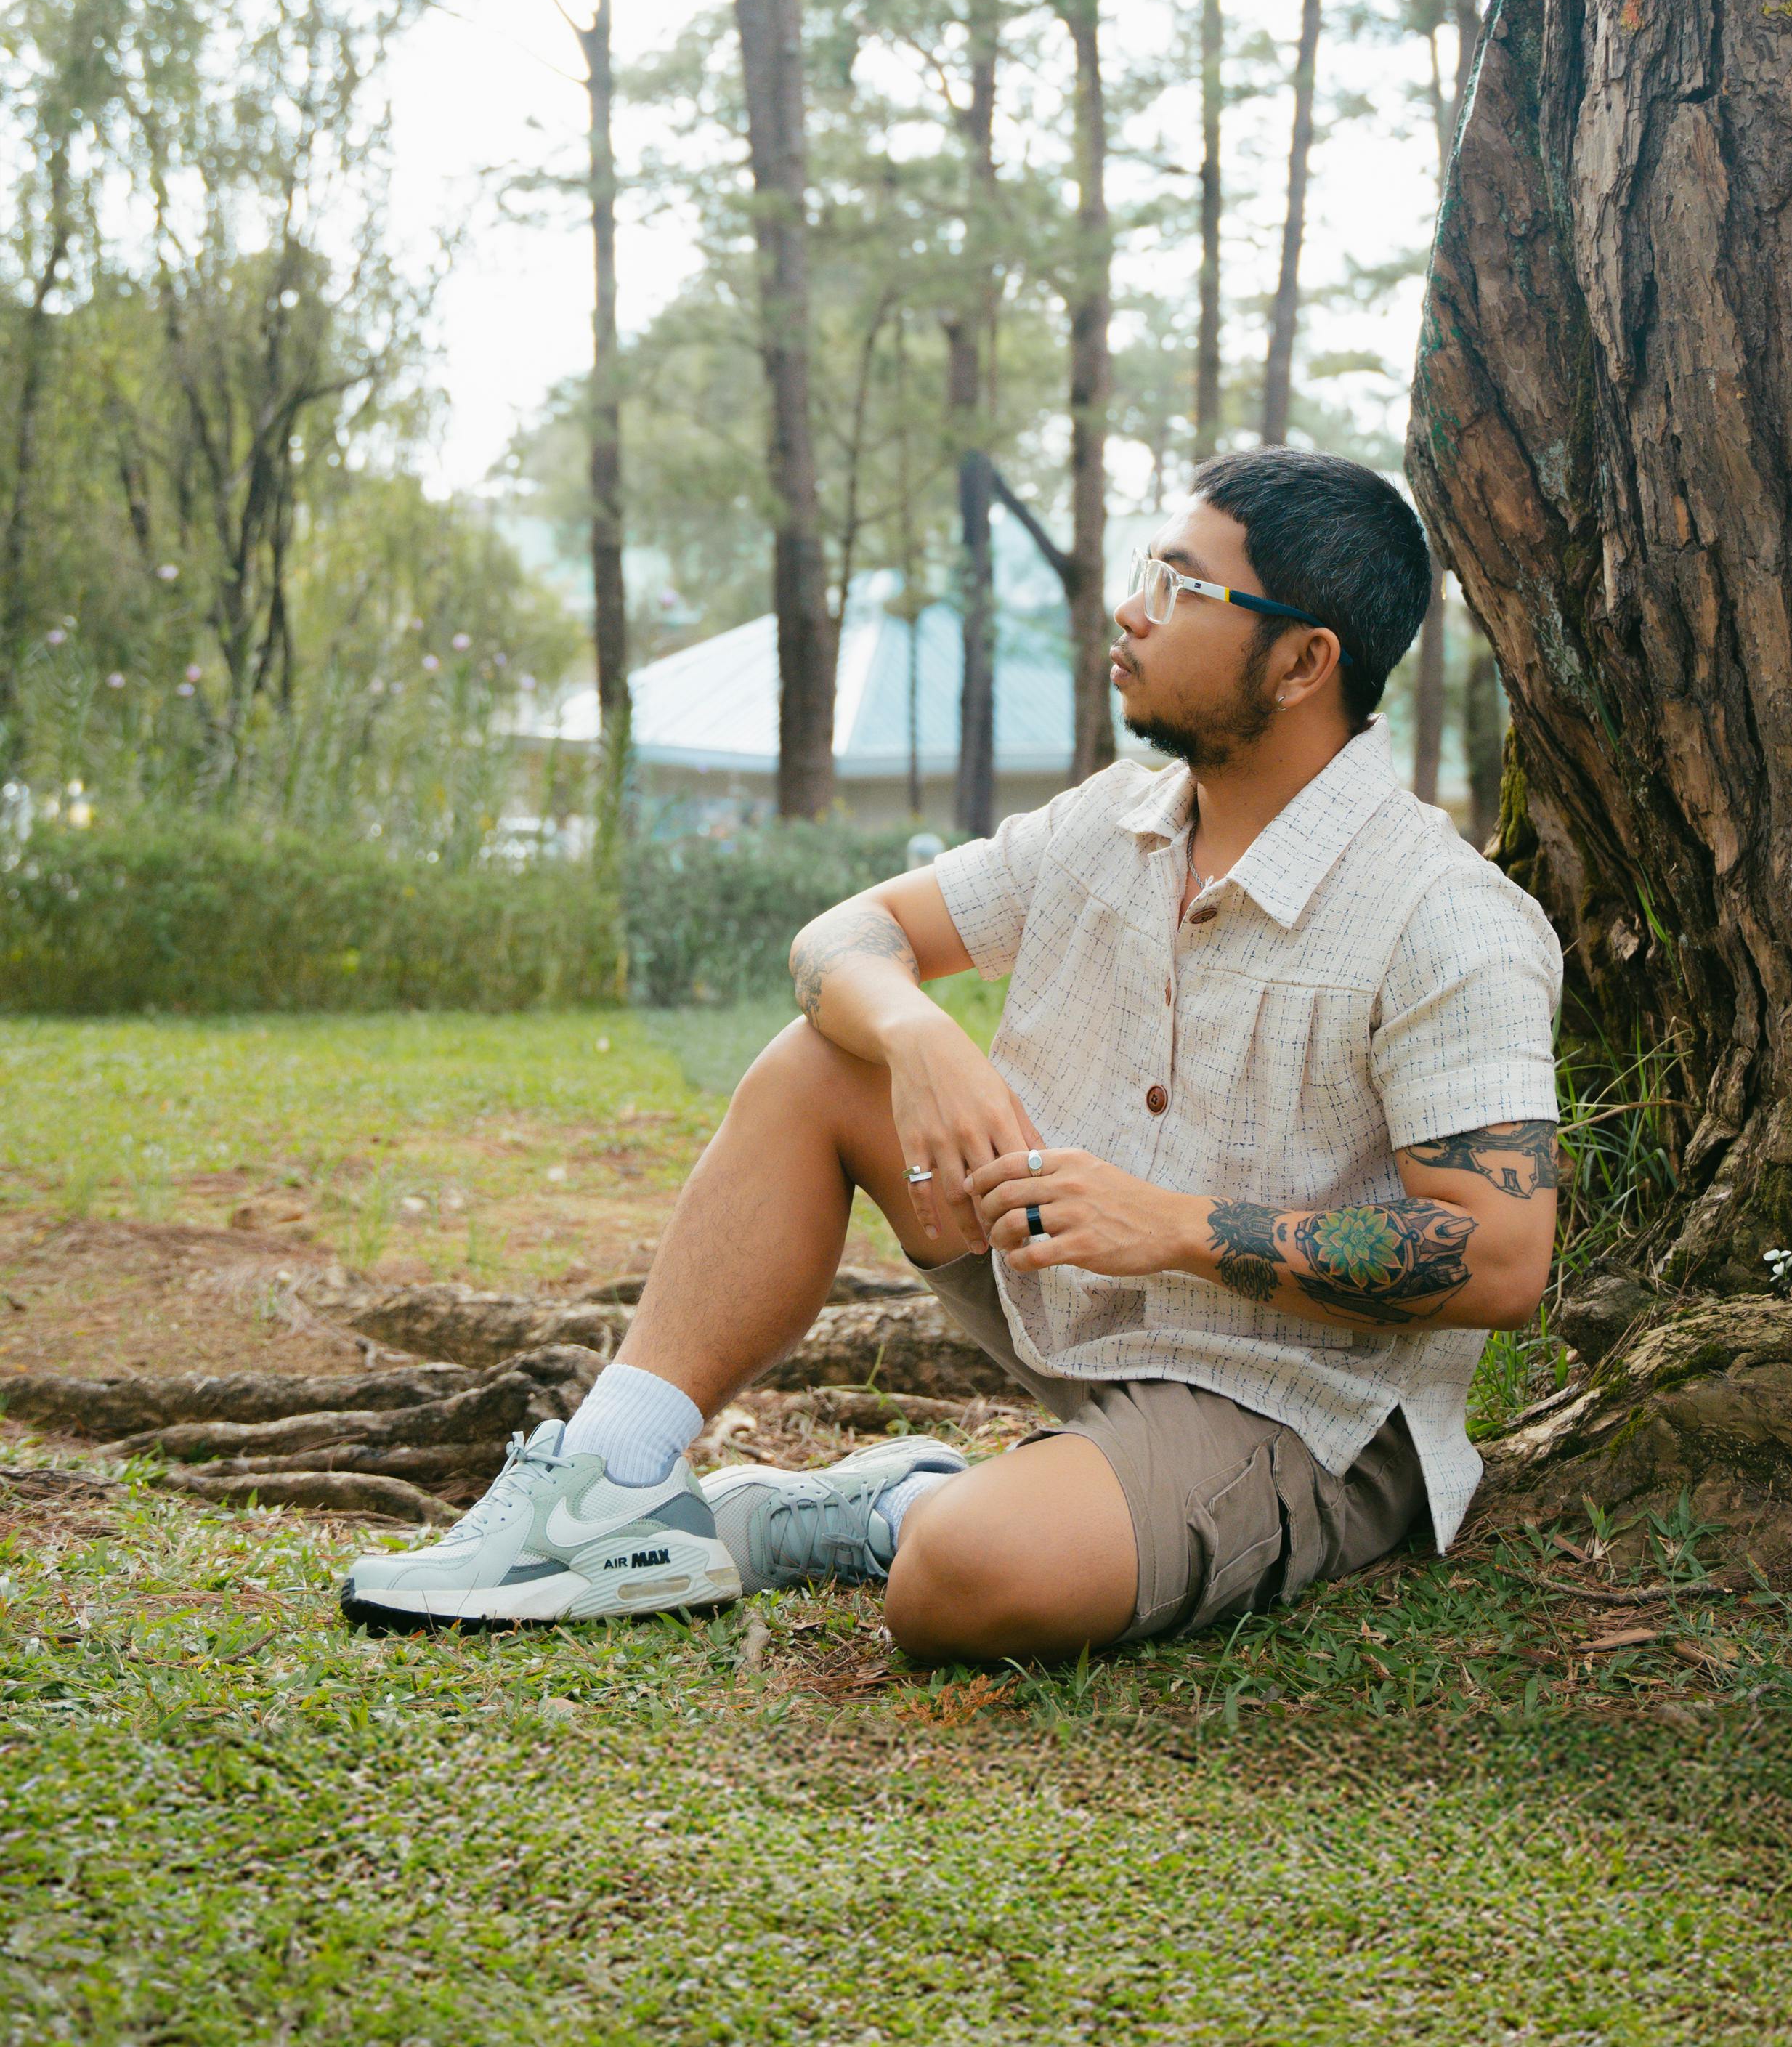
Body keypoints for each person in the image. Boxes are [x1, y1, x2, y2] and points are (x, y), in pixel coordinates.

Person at [340, 448, 1562, 1654]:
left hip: (1300, 1409)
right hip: (1076, 1301)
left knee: (959, 1577)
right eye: (1147, 572)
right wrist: (919, 1033)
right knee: (828, 1062)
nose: (1132, 611)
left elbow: (1504, 1259)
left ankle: (895, 1509)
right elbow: (842, 939)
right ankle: (609, 1484)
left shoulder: (1444, 915)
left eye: (1183, 588)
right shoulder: (1109, 823)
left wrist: (1173, 1227)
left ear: (1303, 663)